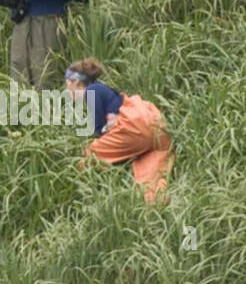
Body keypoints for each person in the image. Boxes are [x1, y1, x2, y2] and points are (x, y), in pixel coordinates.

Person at [65, 59, 173, 203]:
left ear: (75, 82)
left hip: (134, 129)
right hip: (155, 130)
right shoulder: (101, 89)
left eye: (67, 84)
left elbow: (98, 129)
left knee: (88, 156)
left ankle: (79, 195)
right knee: (151, 175)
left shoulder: (91, 92)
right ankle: (156, 204)